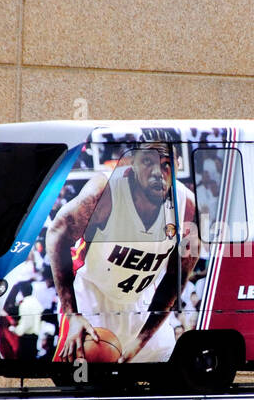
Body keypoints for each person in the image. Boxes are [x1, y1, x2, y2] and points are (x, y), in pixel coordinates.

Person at [46, 143, 200, 364]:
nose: (158, 172)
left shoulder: (187, 207)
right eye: (148, 162)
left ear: (177, 166)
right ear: (132, 164)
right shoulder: (105, 191)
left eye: (166, 164)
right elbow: (55, 234)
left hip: (142, 302)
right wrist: (73, 314)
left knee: (165, 381)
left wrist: (141, 341)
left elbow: (176, 278)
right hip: (93, 297)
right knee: (83, 380)